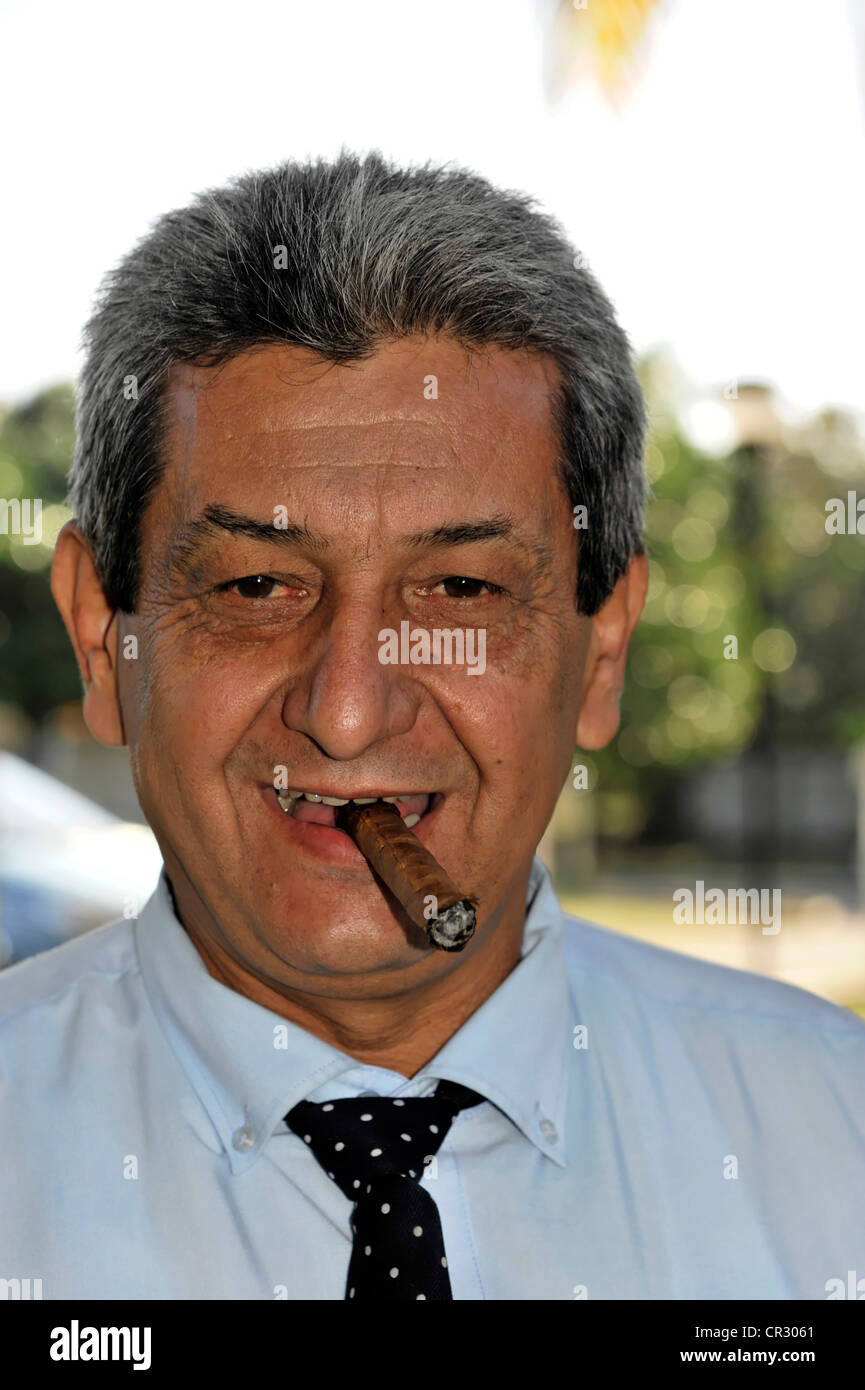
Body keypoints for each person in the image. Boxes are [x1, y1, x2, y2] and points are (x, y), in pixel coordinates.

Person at [1, 151, 862, 1302]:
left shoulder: (834, 1138)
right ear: (104, 636)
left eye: (460, 589)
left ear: (602, 654)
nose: (350, 711)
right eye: (258, 586)